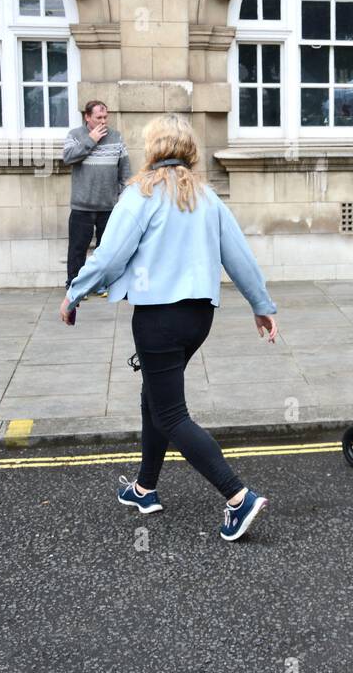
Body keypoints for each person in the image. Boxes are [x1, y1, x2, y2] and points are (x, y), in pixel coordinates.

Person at [59, 113, 278, 543]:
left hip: (158, 317)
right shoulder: (207, 197)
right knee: (155, 398)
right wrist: (261, 305)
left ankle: (238, 497)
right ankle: (144, 488)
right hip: (199, 318)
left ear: (153, 149)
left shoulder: (141, 194)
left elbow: (109, 256)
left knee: (171, 414)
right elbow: (240, 257)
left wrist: (74, 293)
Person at [61, 100, 130, 296]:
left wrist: (121, 194)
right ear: (87, 117)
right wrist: (91, 140)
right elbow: (68, 158)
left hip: (108, 206)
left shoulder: (116, 137)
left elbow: (125, 171)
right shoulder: (75, 135)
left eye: (105, 117)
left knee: (105, 249)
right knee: (77, 250)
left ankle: (101, 285)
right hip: (82, 206)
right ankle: (74, 286)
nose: (103, 121)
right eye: (98, 117)